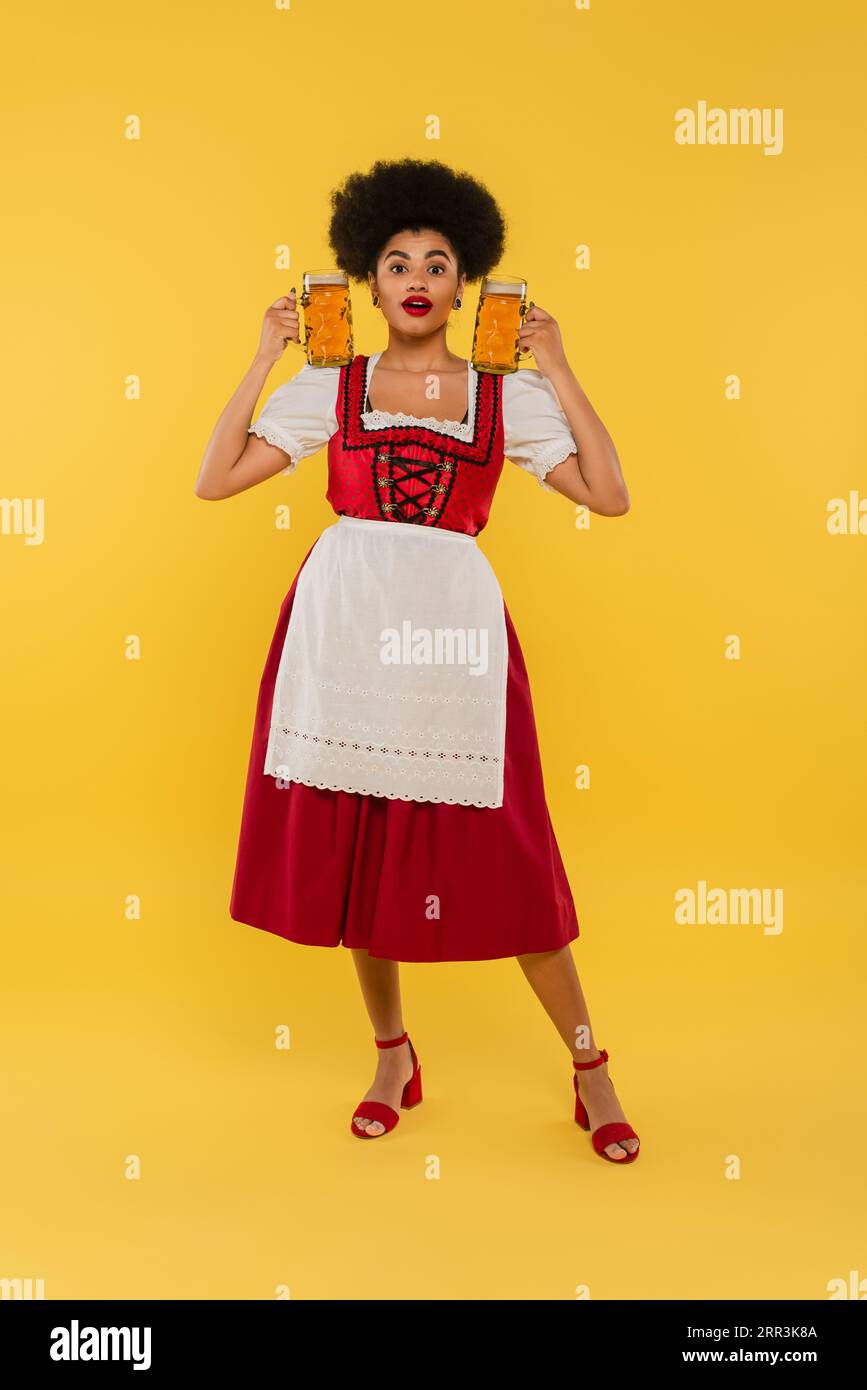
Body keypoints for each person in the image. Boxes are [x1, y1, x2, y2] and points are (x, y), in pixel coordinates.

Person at [194, 158, 639, 1162]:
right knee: (363, 847)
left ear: (463, 281)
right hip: (347, 626)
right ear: (368, 277)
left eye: (438, 263)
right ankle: (393, 1054)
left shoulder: (502, 395)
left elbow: (609, 495)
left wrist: (560, 369)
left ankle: (589, 1064)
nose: (417, 278)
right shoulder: (330, 384)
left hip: (455, 637)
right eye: (397, 261)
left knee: (516, 855)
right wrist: (259, 359)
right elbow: (215, 479)